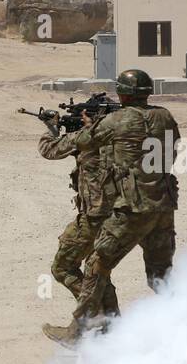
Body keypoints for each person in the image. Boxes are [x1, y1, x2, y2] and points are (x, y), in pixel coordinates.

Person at [43, 69, 179, 346]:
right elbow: (171, 150)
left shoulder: (116, 122)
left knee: (96, 266)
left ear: (123, 94)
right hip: (163, 207)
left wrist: (60, 131)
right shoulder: (164, 116)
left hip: (132, 209)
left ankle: (78, 331)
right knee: (160, 277)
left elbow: (66, 146)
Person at [38, 107, 120, 319]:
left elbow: (49, 150)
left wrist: (51, 128)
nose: (81, 120)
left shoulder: (86, 138)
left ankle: (95, 316)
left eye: (84, 116)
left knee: (62, 267)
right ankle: (114, 324)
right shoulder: (125, 138)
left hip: (94, 217)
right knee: (99, 272)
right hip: (120, 216)